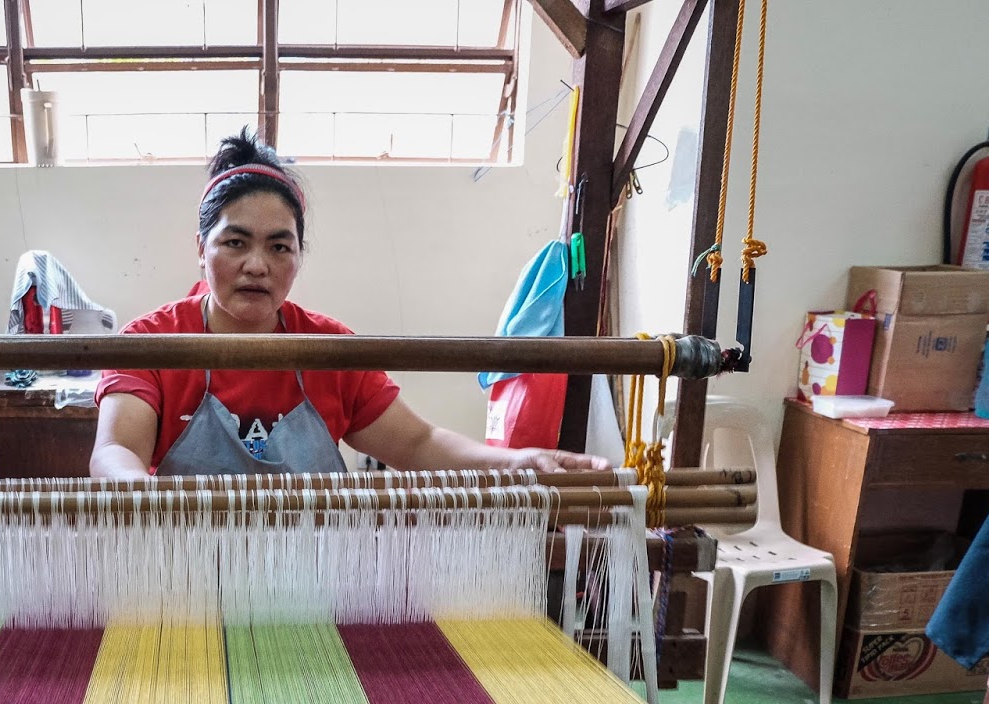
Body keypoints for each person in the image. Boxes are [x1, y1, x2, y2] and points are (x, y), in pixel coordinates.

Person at [91, 129, 609, 479]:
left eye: (279, 246)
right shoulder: (153, 345)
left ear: (299, 256)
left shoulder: (330, 352)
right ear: (200, 250)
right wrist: (138, 491)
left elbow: (418, 444)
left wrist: (515, 462)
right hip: (187, 581)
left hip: (314, 586)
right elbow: (116, 450)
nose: (257, 265)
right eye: (235, 242)